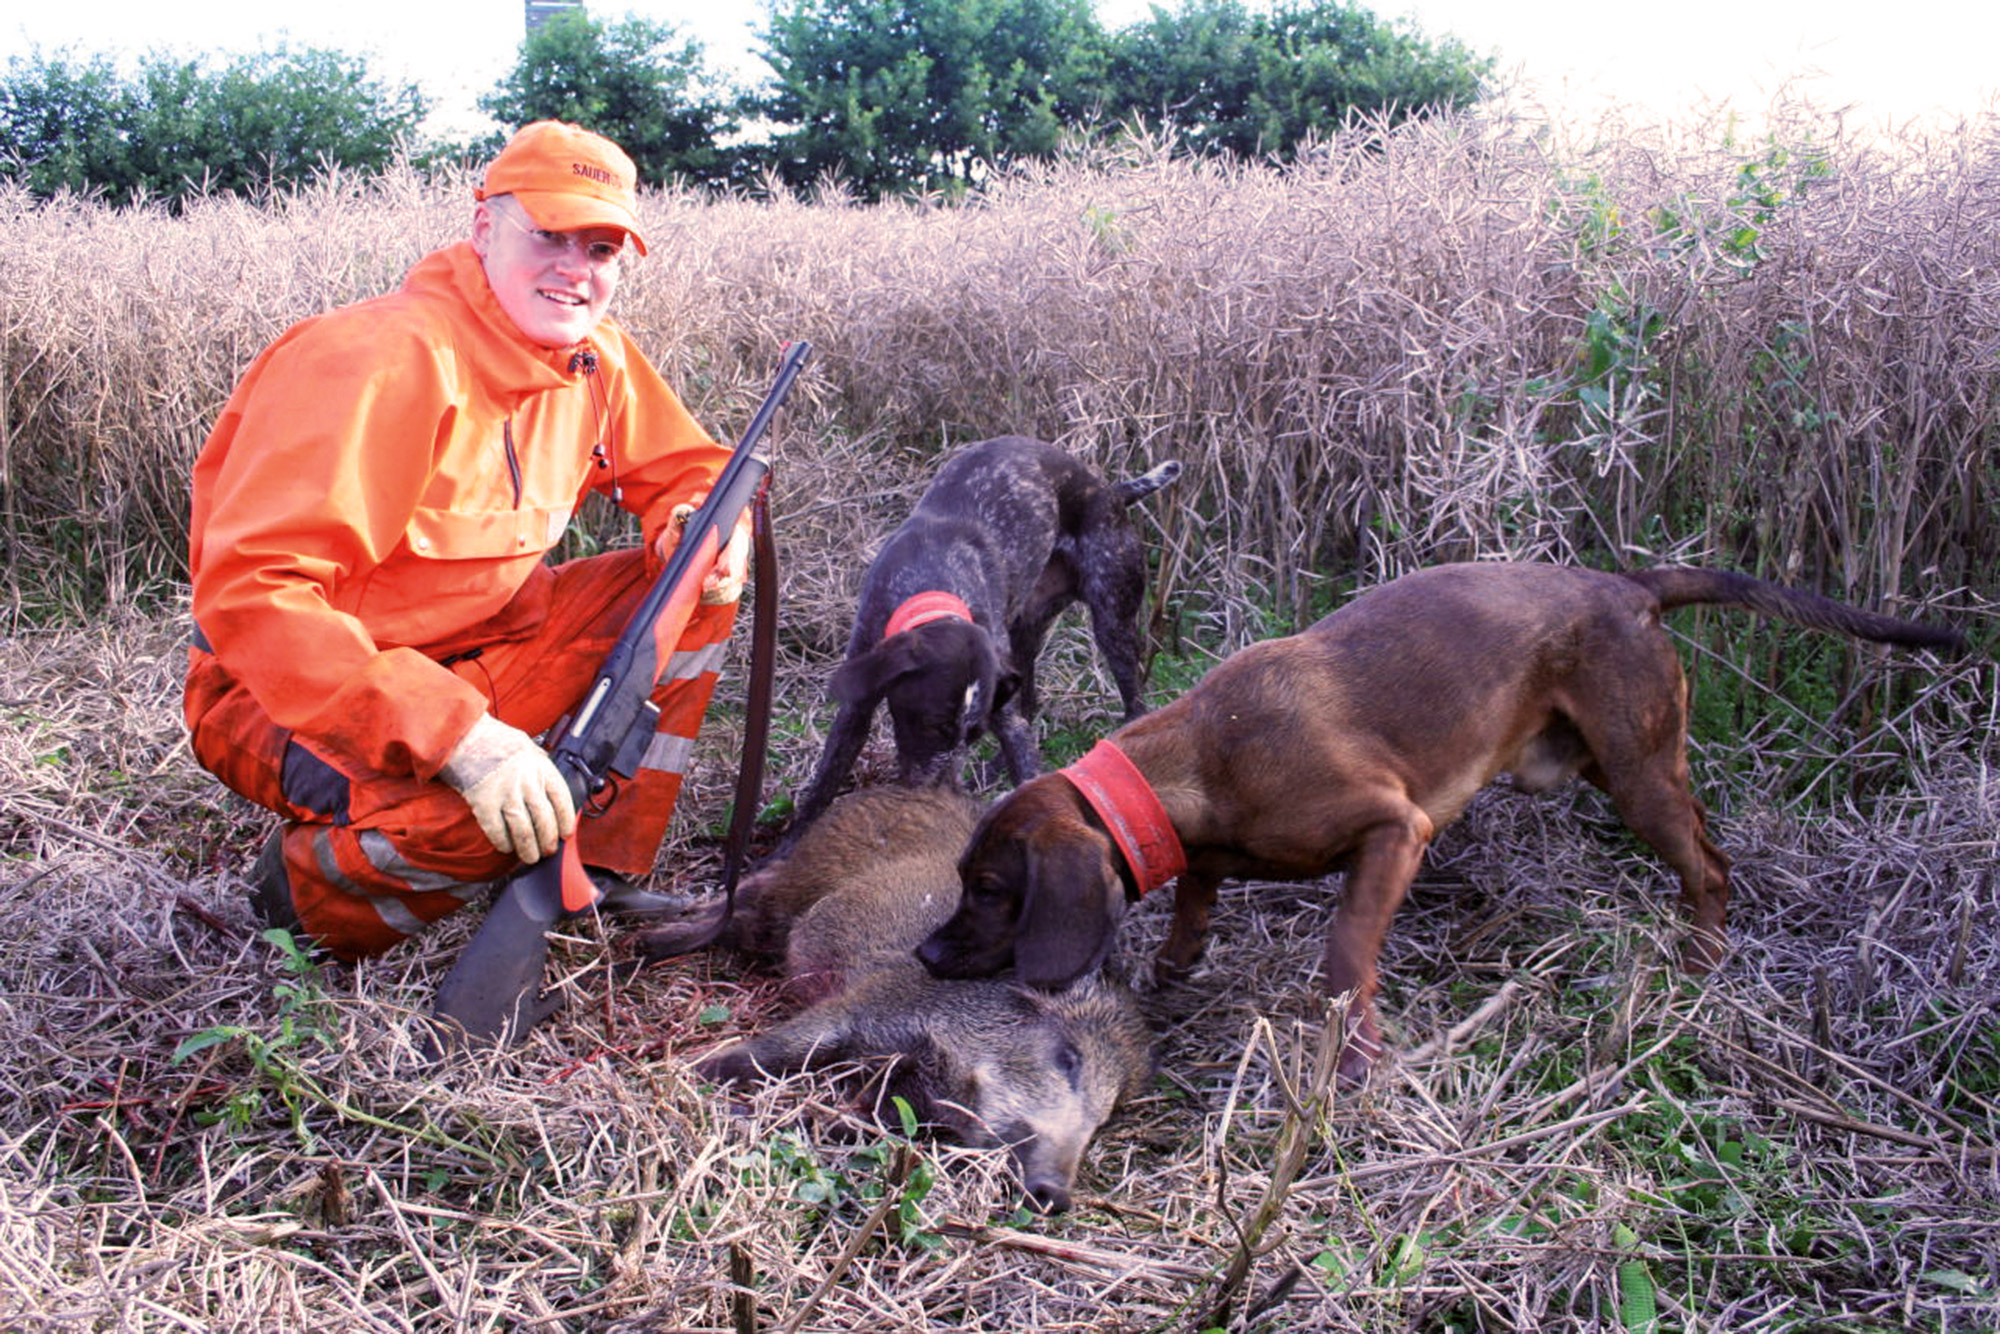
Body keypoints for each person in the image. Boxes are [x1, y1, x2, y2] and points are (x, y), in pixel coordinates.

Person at [185, 120, 753, 961]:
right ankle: (305, 896)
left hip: (487, 651)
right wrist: (462, 740)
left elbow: (689, 471)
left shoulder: (595, 360)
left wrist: (702, 524)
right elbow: (254, 597)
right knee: (476, 820)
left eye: (600, 249)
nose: (575, 269)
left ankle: (594, 869)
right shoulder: (371, 360)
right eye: (550, 235)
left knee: (691, 576)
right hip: (288, 693)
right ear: (485, 228)